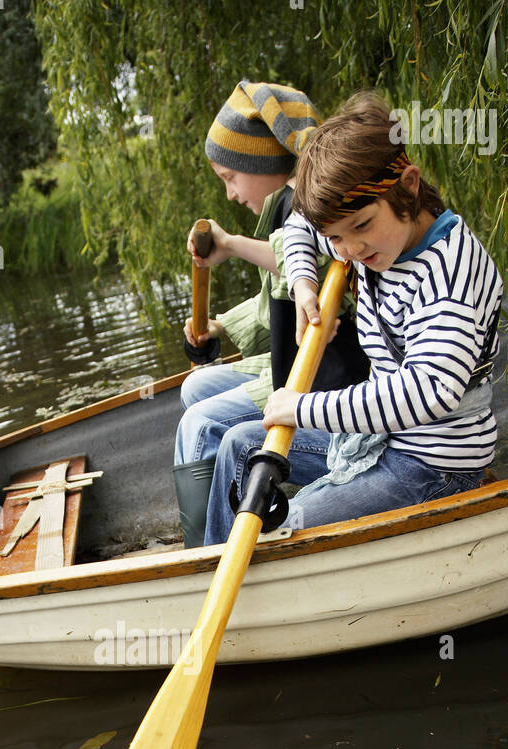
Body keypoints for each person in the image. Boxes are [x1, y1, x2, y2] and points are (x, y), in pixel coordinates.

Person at [202, 91, 503, 546]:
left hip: (431, 464)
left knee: (290, 525)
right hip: (376, 439)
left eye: (359, 227)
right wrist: (304, 284)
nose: (350, 251)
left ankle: (249, 582)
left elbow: (428, 394)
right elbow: (300, 226)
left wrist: (303, 407)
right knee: (239, 446)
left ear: (408, 184)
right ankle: (207, 575)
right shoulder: (370, 234)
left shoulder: (449, 272)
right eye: (335, 239)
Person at [174, 81, 368, 544]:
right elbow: (277, 301)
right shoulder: (284, 209)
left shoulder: (309, 206)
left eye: (229, 178)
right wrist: (220, 325)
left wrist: (231, 244)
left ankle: (202, 546)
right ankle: (215, 515)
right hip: (292, 367)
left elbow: (299, 261)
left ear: (261, 163)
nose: (231, 195)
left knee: (199, 423)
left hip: (325, 382)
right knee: (195, 383)